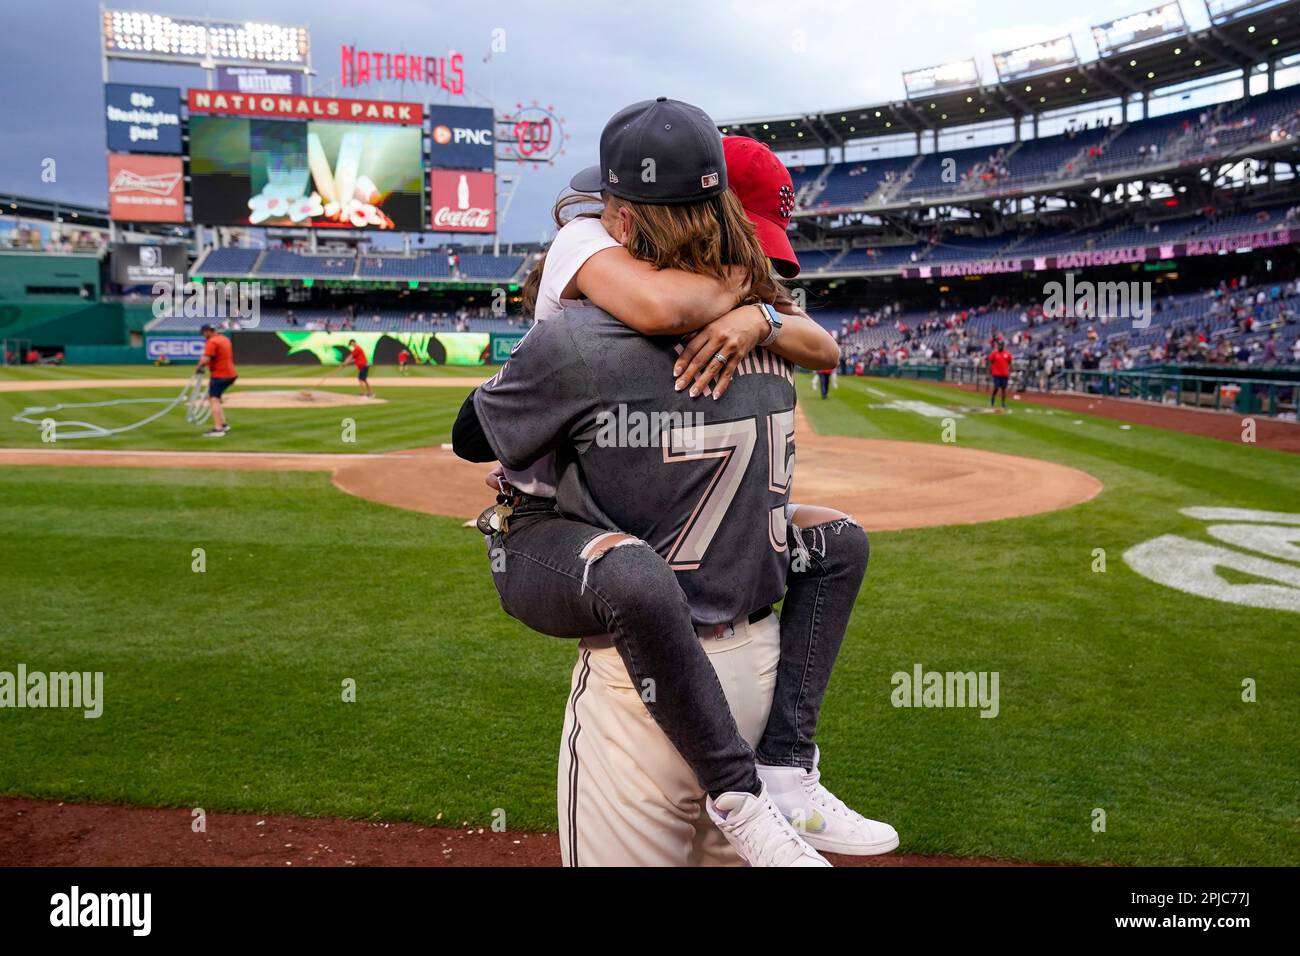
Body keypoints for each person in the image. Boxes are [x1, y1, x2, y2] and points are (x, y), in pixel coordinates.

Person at [455, 100, 894, 866]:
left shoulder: (584, 333)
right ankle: (784, 776)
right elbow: (811, 338)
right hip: (759, 666)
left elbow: (472, 438)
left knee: (624, 570)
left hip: (645, 688)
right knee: (837, 538)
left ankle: (748, 794)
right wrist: (757, 309)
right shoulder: (775, 338)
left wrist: (537, 367)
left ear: (622, 219)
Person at [196, 323, 237, 437]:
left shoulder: (212, 342)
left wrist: (199, 367)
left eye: (204, 333)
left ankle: (218, 429)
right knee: (215, 398)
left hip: (220, 375)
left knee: (214, 399)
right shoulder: (224, 339)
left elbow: (206, 358)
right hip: (231, 373)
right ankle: (223, 424)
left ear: (208, 331)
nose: (204, 335)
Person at [989, 339, 1013, 409]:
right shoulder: (994, 354)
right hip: (996, 373)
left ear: (1003, 346)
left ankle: (1003, 403)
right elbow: (990, 362)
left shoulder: (1007, 354)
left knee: (1004, 389)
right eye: (998, 345)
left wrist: (1011, 370)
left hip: (1004, 373)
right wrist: (988, 373)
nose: (999, 346)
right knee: (996, 387)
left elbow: (1010, 363)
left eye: (1000, 345)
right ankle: (993, 398)